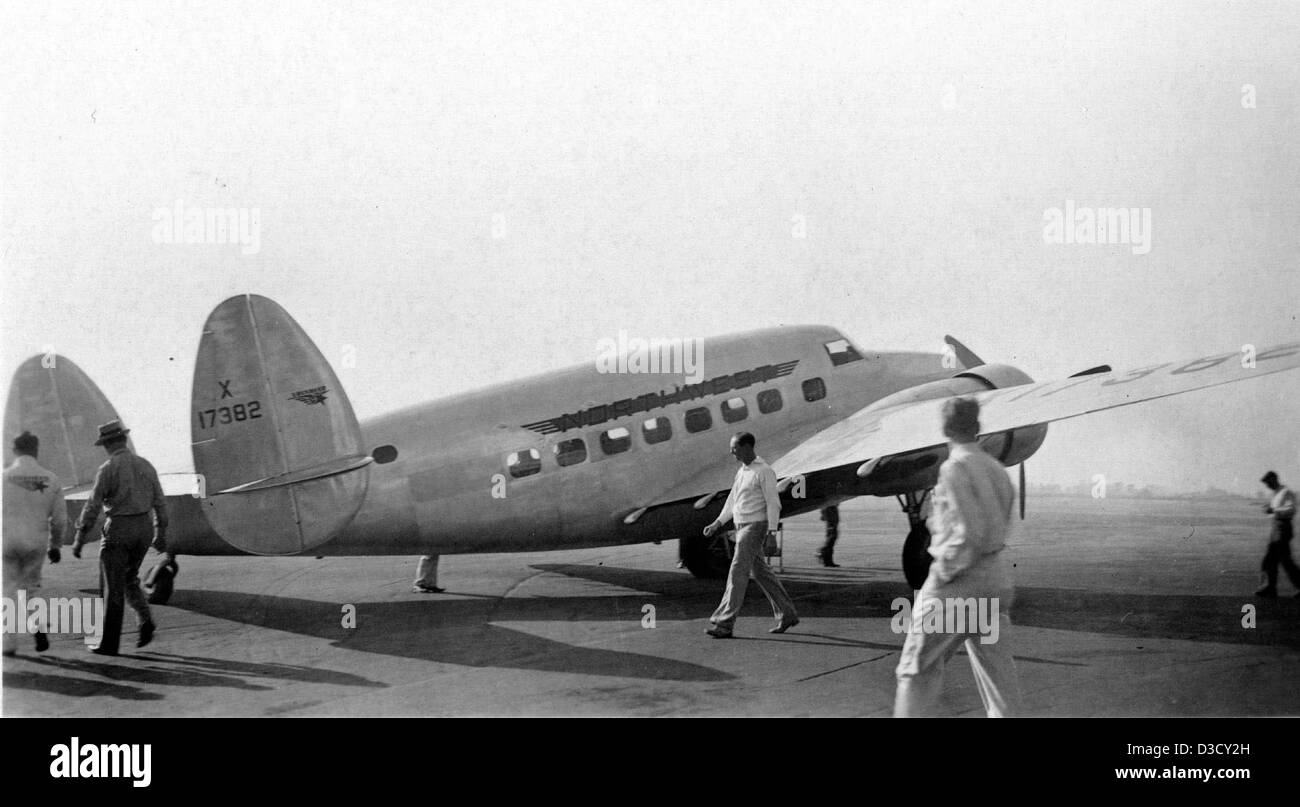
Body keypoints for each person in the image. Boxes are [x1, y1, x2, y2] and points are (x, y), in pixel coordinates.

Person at [894, 397, 1023, 717]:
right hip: (995, 580)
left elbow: (969, 533)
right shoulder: (997, 469)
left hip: (957, 582)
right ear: (978, 427)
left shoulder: (954, 468)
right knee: (998, 679)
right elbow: (1003, 523)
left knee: (915, 667)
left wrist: (942, 574)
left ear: (945, 429)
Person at [71, 421, 168, 655]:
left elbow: (93, 505)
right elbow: (160, 503)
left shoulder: (108, 468)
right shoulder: (146, 465)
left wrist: (80, 537)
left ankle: (109, 643)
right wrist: (160, 533)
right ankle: (145, 620)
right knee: (129, 578)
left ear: (106, 445)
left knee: (113, 588)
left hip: (119, 528)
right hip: (144, 527)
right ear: (124, 440)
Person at [702, 432, 798, 638]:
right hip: (741, 526)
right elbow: (732, 501)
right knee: (761, 573)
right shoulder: (743, 472)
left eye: (734, 448)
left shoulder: (765, 472)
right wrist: (717, 522)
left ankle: (724, 623)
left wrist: (772, 532)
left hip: (755, 526)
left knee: (737, 570)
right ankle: (787, 614)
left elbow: (774, 503)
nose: (731, 452)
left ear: (747, 447)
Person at [2, 431, 67, 655]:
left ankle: (8, 643)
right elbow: (59, 520)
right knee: (30, 589)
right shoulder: (51, 479)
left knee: (7, 590)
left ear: (14, 451)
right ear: (36, 450)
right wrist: (55, 546)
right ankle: (37, 628)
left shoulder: (3, 477)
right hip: (35, 542)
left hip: (7, 540)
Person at [1255, 471, 1298, 597]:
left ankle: (1270, 587)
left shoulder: (1286, 492)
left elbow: (1292, 509)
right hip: (1276, 528)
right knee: (1280, 560)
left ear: (1274, 479)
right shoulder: (1277, 494)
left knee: (1274, 559)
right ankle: (1270, 587)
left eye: (1268, 483)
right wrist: (1269, 509)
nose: (1267, 486)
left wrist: (1273, 509)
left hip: (1282, 528)